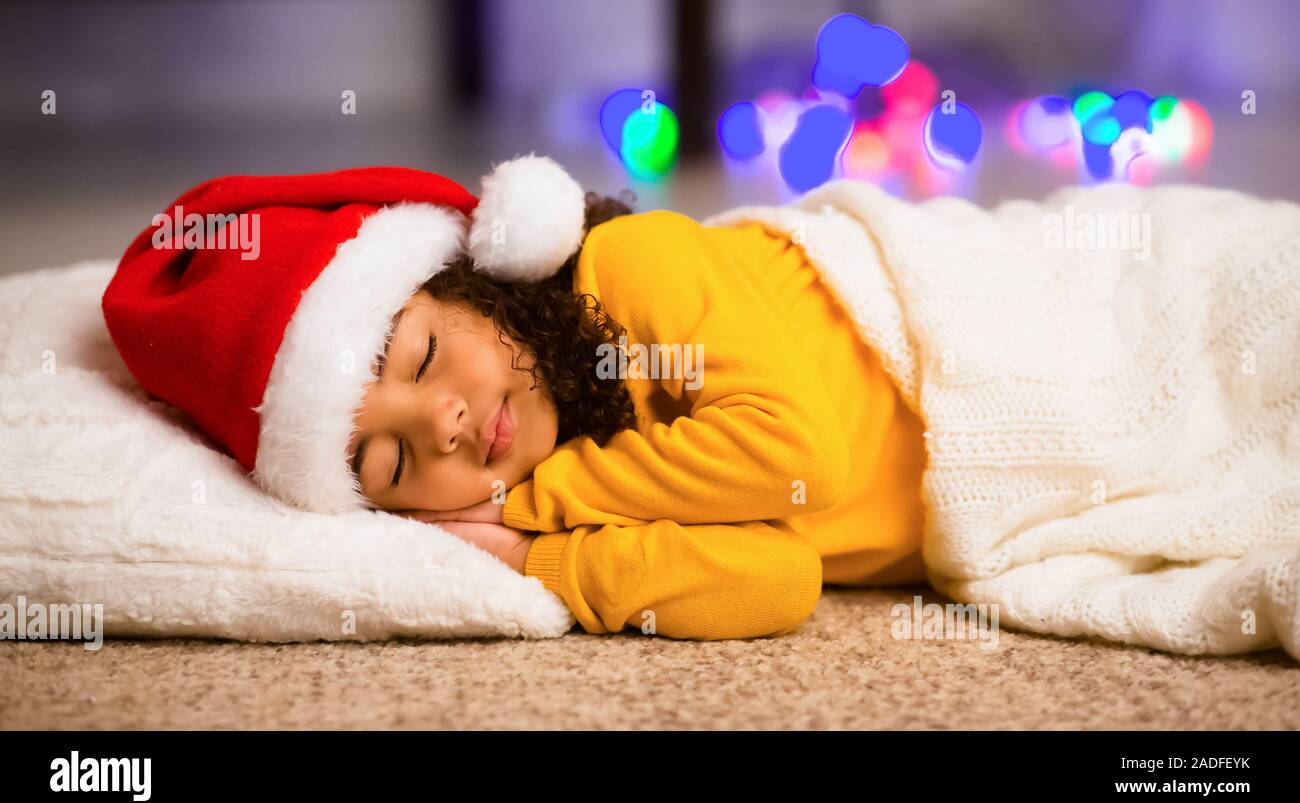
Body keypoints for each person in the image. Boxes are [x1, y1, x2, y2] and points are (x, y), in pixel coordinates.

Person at [102, 155, 927, 641]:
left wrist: (545, 499)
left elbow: (802, 459)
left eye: (422, 355)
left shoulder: (632, 269)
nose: (441, 422)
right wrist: (542, 557)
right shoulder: (561, 502)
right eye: (390, 462)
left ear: (475, 287)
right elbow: (783, 578)